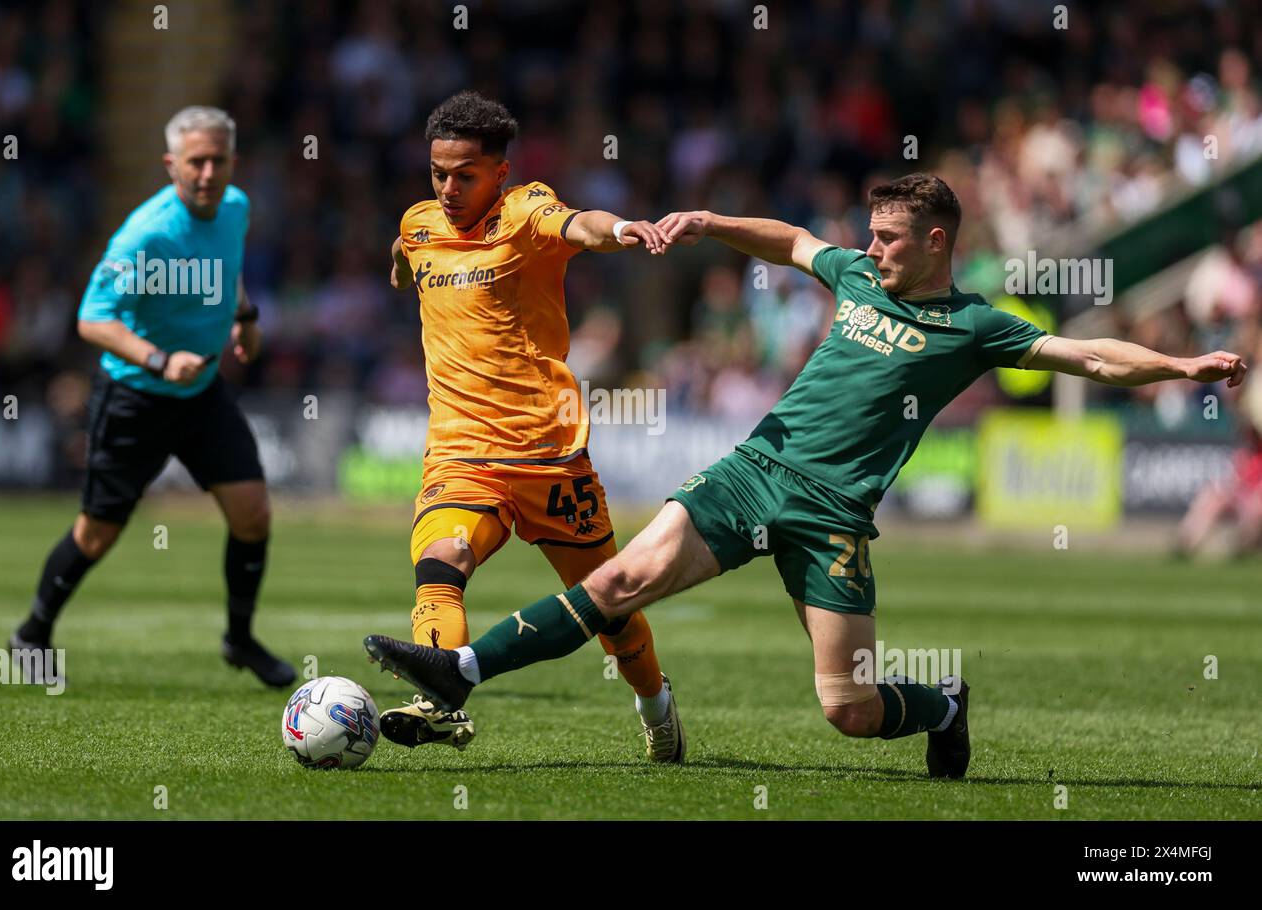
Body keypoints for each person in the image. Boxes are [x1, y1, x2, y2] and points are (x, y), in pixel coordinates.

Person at [364, 173, 1247, 778]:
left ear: (937, 242)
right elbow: (791, 242)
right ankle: (461, 672)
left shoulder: (978, 327)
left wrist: (1179, 366)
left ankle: (940, 707)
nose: (873, 249)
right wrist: (709, 224)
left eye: (892, 238)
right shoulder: (859, 274)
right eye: (872, 234)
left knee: (849, 711)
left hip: (832, 518)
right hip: (754, 471)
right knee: (622, 578)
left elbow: (1088, 357)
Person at [374, 91, 683, 761]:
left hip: (549, 456)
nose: (450, 188)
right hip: (460, 455)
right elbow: (406, 249)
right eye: (439, 174)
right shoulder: (422, 223)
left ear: (501, 173)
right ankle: (438, 702)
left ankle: (657, 705)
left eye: (466, 175)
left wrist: (623, 229)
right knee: (440, 565)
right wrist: (399, 261)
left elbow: (580, 225)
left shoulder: (525, 213)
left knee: (613, 612)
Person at [10, 106, 294, 689]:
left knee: (253, 514)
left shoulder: (236, 208)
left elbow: (229, 268)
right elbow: (93, 319)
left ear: (233, 162)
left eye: (218, 160)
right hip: (135, 397)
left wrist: (244, 317)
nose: (208, 172)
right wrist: (160, 360)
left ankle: (239, 640)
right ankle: (31, 634)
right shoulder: (147, 233)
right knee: (97, 532)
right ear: (172, 165)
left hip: (202, 394)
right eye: (196, 162)